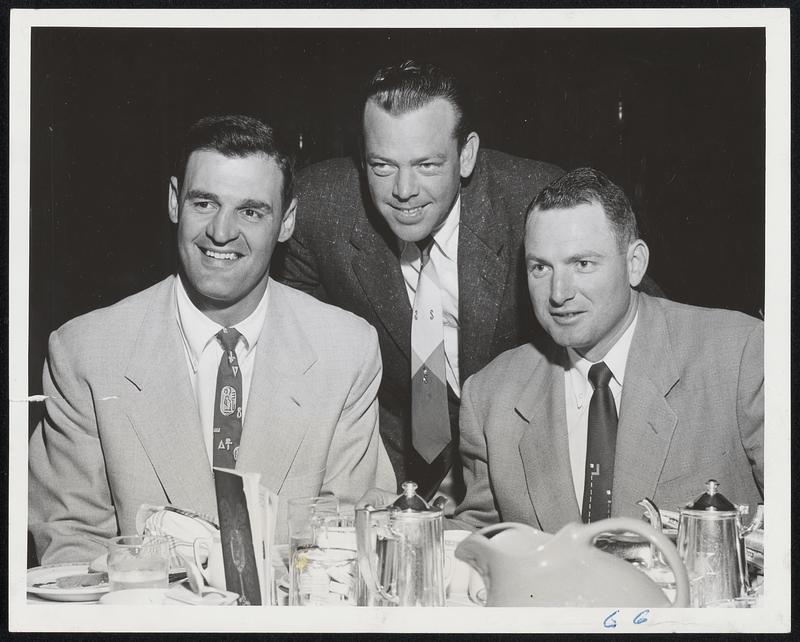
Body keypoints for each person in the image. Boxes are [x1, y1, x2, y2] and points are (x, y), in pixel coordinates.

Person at [28, 115, 394, 565]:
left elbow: (347, 545)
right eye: (204, 203)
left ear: (286, 222)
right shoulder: (85, 353)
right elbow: (73, 550)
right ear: (174, 202)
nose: (221, 232)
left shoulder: (347, 351)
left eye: (251, 211)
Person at [277, 60, 563, 503]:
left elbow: (636, 322)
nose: (404, 190)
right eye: (382, 165)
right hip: (390, 463)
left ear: (466, 155)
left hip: (520, 460)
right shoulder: (319, 208)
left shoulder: (536, 204)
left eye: (427, 164)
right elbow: (296, 355)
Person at [453, 167, 763, 532]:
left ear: (635, 264)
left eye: (582, 264)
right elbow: (477, 540)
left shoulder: (738, 356)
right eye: (540, 268)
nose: (558, 293)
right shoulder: (490, 397)